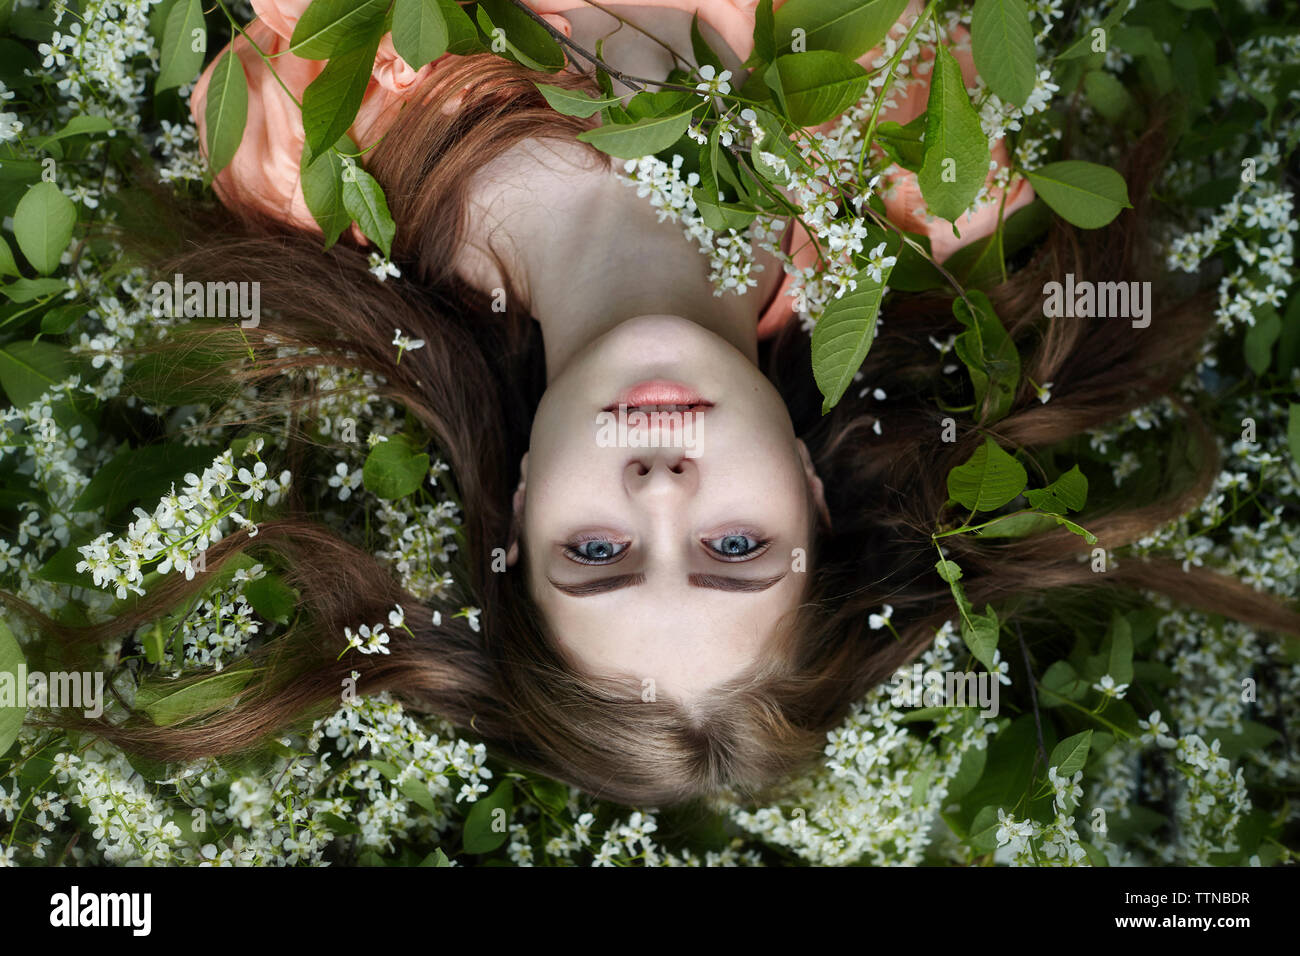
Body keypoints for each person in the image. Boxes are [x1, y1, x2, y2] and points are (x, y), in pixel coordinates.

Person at [35, 0, 1300, 807]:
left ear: (522, 507)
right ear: (808, 492)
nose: (657, 494)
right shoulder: (933, 180)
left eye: (595, 554)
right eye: (733, 550)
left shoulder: (296, 165)